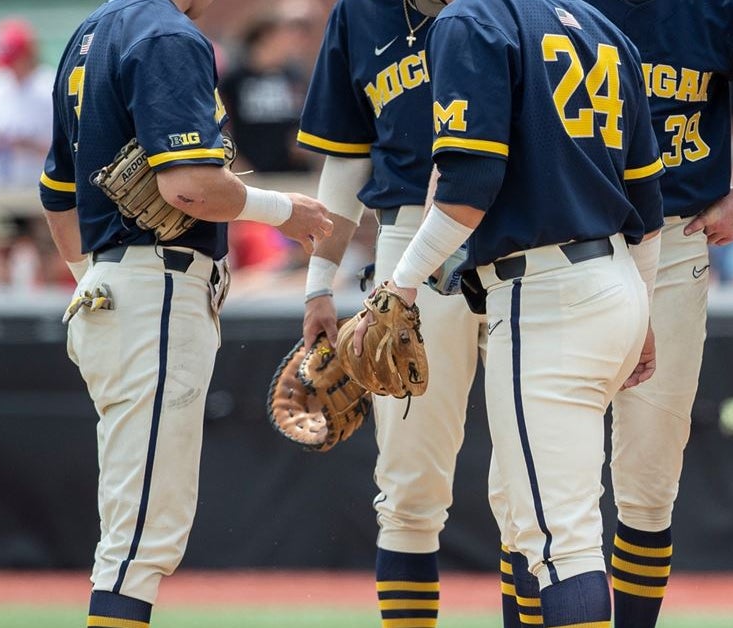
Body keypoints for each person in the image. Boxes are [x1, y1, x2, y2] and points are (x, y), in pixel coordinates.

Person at [352, 0, 664, 624]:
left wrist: (400, 286)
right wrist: (646, 313)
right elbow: (648, 201)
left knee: (559, 544)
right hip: (616, 284)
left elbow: (467, 190)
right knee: (531, 519)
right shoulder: (599, 26)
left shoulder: (469, 20)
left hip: (545, 297)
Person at [38, 1, 331, 626]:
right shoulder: (169, 34)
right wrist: (288, 212)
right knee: (142, 531)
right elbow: (190, 187)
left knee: (137, 521)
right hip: (156, 291)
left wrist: (95, 280)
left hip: (116, 289)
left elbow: (57, 196)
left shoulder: (91, 33)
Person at [579, 2, 733, 624]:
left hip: (678, 242)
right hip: (565, 246)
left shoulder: (728, 5)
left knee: (649, 487)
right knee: (537, 484)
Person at [293, 0, 489, 623]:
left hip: (521, 233)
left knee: (533, 490)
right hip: (406, 233)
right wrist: (320, 282)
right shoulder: (361, 12)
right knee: (407, 491)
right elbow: (347, 154)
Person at [219, 13, 312, 173]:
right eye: (282, 37)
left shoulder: (294, 76)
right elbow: (220, 123)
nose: (288, 43)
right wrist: (234, 159)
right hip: (252, 170)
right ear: (264, 38)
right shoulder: (235, 79)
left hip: (291, 170)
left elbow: (305, 116)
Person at [0, 18, 54, 192]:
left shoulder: (49, 85)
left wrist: (24, 144)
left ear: (27, 55)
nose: (9, 68)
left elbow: (63, 150)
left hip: (38, 191)